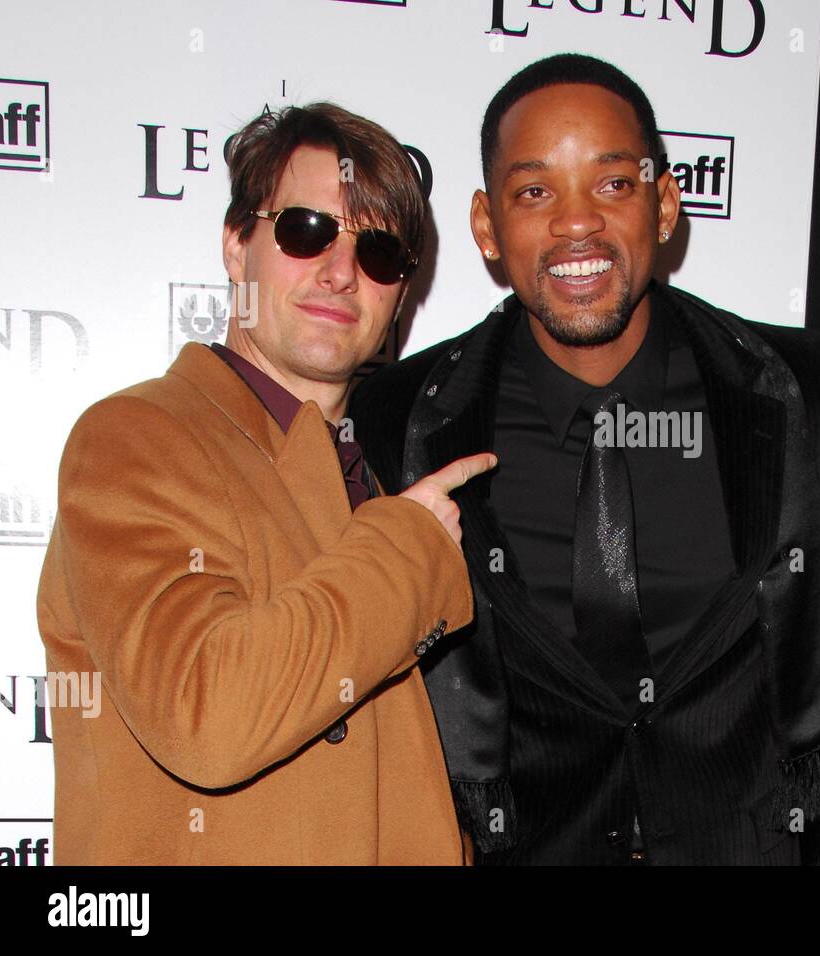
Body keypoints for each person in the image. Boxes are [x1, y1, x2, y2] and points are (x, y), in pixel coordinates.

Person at [351, 54, 820, 865]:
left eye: (613, 184)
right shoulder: (402, 419)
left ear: (664, 205)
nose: (576, 222)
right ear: (486, 226)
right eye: (534, 192)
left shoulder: (790, 393)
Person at [36, 103, 495, 864]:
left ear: (400, 296)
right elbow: (206, 716)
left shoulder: (371, 479)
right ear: (235, 243)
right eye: (305, 230)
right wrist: (406, 552)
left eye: (379, 253)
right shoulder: (136, 437)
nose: (341, 271)